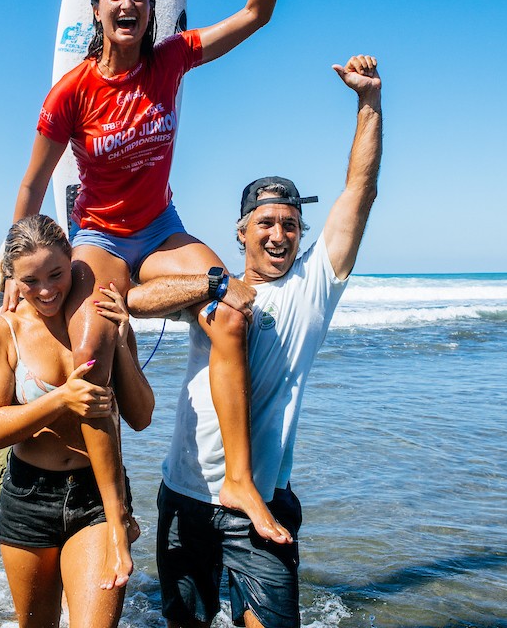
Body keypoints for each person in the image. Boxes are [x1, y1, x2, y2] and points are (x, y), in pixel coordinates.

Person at [11, 0, 310, 588]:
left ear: (154, 12)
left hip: (162, 226)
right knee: (92, 349)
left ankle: (236, 478)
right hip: (102, 237)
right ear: (97, 11)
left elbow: (256, 16)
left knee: (235, 308)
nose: (129, 4)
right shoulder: (72, 92)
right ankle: (116, 520)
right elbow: (31, 183)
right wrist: (9, 262)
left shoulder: (172, 59)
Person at [132, 55, 383, 628]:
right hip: (186, 493)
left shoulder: (311, 287)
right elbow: (133, 302)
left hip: (263, 503)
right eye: (265, 223)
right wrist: (215, 284)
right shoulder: (211, 285)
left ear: (302, 234)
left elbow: (359, 193)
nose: (278, 234)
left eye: (290, 224)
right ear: (240, 231)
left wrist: (368, 103)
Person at [0, 214, 154, 628]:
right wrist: (61, 400)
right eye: (30, 281)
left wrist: (123, 339)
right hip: (28, 497)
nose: (46, 290)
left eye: (56, 274)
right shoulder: (4, 332)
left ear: (71, 260)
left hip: (96, 495)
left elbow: (141, 416)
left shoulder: (99, 317)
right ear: (11, 279)